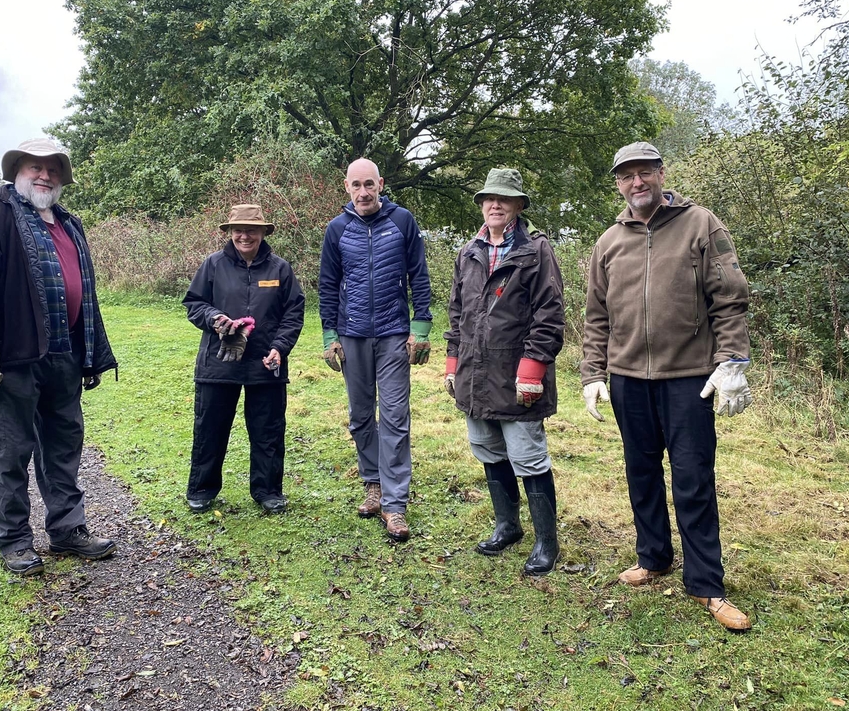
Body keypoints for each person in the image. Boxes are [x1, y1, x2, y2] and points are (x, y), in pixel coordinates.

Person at [580, 141, 754, 631]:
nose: (636, 182)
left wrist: (731, 362)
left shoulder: (702, 225)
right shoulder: (608, 242)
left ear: (661, 173)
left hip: (688, 378)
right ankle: (653, 557)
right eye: (627, 175)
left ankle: (706, 583)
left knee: (693, 477)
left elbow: (729, 299)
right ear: (619, 184)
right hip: (628, 379)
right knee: (641, 472)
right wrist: (593, 373)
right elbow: (596, 316)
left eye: (645, 172)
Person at [0, 138, 118, 577]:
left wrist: (89, 353)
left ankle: (66, 530)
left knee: (63, 447)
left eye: (53, 169)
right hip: (13, 360)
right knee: (7, 452)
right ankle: (15, 541)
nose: (45, 175)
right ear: (17, 171)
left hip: (64, 355)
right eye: (35, 167)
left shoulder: (67, 222)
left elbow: (82, 289)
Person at [444, 168, 565, 575]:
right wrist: (452, 362)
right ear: (482, 204)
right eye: (489, 198)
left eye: (504, 198)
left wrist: (532, 369)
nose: (495, 204)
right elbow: (457, 313)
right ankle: (507, 526)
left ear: (518, 205)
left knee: (528, 456)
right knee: (488, 449)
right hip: (474, 373)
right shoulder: (469, 252)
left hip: (516, 375)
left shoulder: (536, 251)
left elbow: (549, 314)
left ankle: (547, 541)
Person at [318, 158, 432, 541]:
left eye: (369, 184)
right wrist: (329, 336)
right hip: (351, 334)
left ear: (380, 184)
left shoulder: (402, 222)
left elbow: (419, 275)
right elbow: (328, 285)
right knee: (361, 415)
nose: (363, 192)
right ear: (346, 187)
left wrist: (420, 326)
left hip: (394, 334)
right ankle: (374, 483)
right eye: (356, 185)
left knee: (395, 416)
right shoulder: (337, 229)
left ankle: (395, 504)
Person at [183, 204, 305, 515]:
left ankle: (268, 491)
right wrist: (215, 319)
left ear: (263, 232)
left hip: (266, 362)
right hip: (218, 362)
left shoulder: (280, 269)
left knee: (268, 431)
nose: (244, 236)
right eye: (238, 230)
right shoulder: (213, 265)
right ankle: (202, 489)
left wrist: (280, 348)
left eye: (251, 230)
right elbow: (194, 303)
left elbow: (293, 313)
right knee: (210, 428)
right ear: (229, 232)